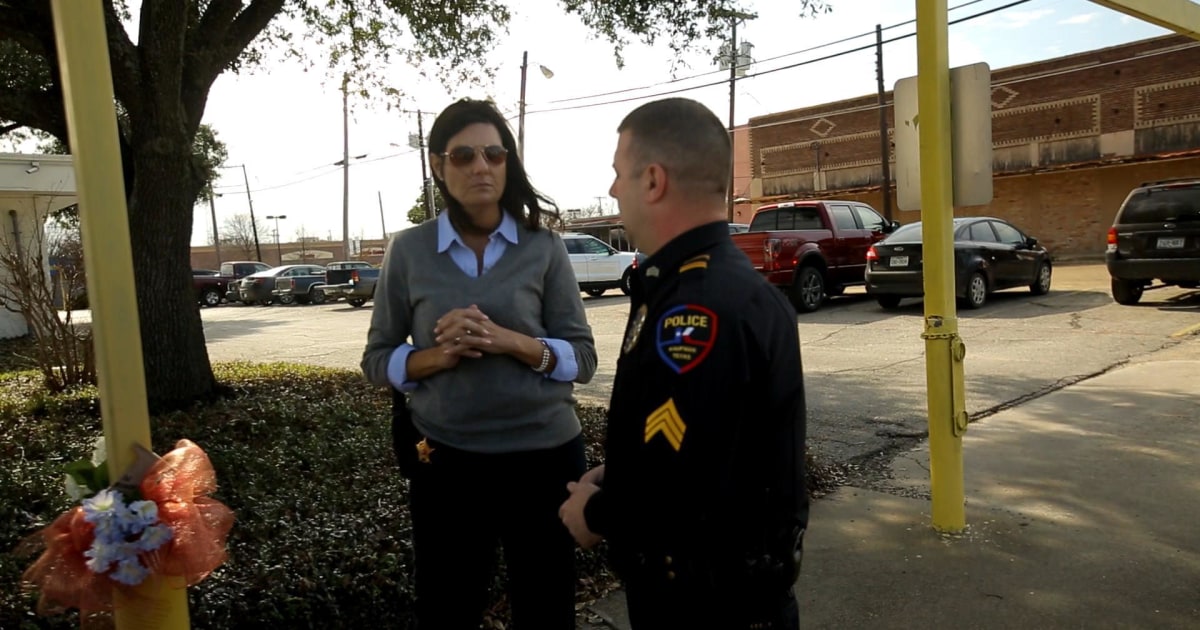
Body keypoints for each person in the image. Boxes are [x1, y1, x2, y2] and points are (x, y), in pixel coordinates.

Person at [558, 97, 809, 629]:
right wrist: (618, 472)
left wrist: (595, 513)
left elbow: (686, 484)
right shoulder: (724, 286)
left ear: (653, 180)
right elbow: (712, 441)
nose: (612, 191)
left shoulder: (695, 308)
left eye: (618, 173)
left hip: (703, 606)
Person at [361, 97, 597, 630]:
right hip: (447, 463)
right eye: (463, 156)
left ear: (508, 161)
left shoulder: (544, 247)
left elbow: (582, 358)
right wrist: (437, 357)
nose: (481, 167)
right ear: (438, 166)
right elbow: (376, 359)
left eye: (494, 153)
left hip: (545, 459)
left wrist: (510, 341)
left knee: (546, 610)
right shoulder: (409, 250)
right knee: (447, 607)